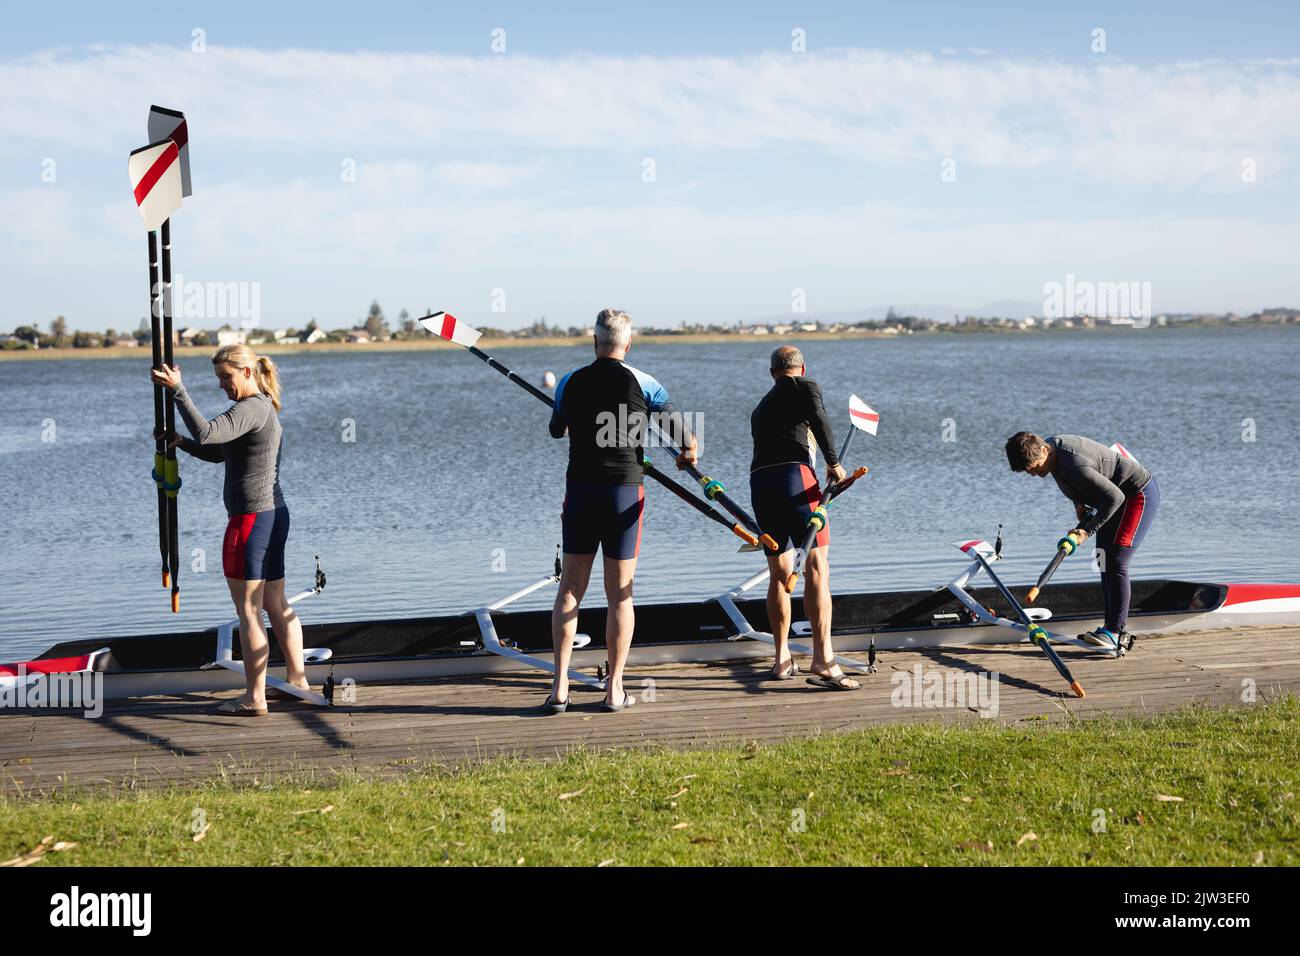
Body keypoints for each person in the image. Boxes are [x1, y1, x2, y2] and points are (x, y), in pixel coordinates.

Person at [546, 309, 697, 714]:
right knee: (620, 594)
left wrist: (569, 410)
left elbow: (556, 430)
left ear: (594, 342)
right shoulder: (644, 382)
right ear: (628, 345)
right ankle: (614, 690)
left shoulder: (569, 381)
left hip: (580, 491)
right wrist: (689, 451)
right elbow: (685, 436)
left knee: (570, 589)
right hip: (624, 495)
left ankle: (560, 690)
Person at [150, 345, 312, 716]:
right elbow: (220, 450)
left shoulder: (250, 407)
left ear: (248, 372)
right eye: (219, 378)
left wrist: (178, 390)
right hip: (273, 516)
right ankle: (298, 680)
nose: (222, 384)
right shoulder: (259, 409)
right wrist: (181, 444)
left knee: (249, 613)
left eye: (227, 377)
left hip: (251, 522)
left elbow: (208, 433)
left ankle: (254, 699)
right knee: (274, 604)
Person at [749, 345, 858, 690]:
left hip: (761, 484)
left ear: (772, 373)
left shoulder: (760, 406)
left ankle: (781, 659)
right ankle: (824, 661)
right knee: (816, 568)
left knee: (779, 574)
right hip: (796, 477)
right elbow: (819, 417)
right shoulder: (805, 386)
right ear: (801, 368)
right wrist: (833, 463)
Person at [1005, 432, 1161, 647]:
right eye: (1027, 470)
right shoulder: (1050, 452)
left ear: (1043, 450)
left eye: (1034, 466)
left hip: (1136, 495)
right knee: (1103, 560)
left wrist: (1086, 532)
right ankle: (1110, 627)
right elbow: (1083, 483)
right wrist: (1079, 503)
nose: (1032, 473)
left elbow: (1116, 497)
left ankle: (1115, 633)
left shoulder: (1073, 462)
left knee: (1116, 561)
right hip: (1110, 500)